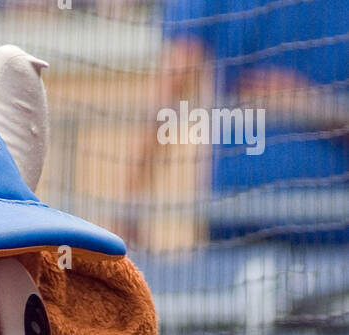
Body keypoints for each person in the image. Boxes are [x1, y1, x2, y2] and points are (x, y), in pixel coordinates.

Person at [130, 0, 349, 248]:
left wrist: (310, 105)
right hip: (241, 213)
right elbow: (174, 79)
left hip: (326, 216)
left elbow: (171, 83)